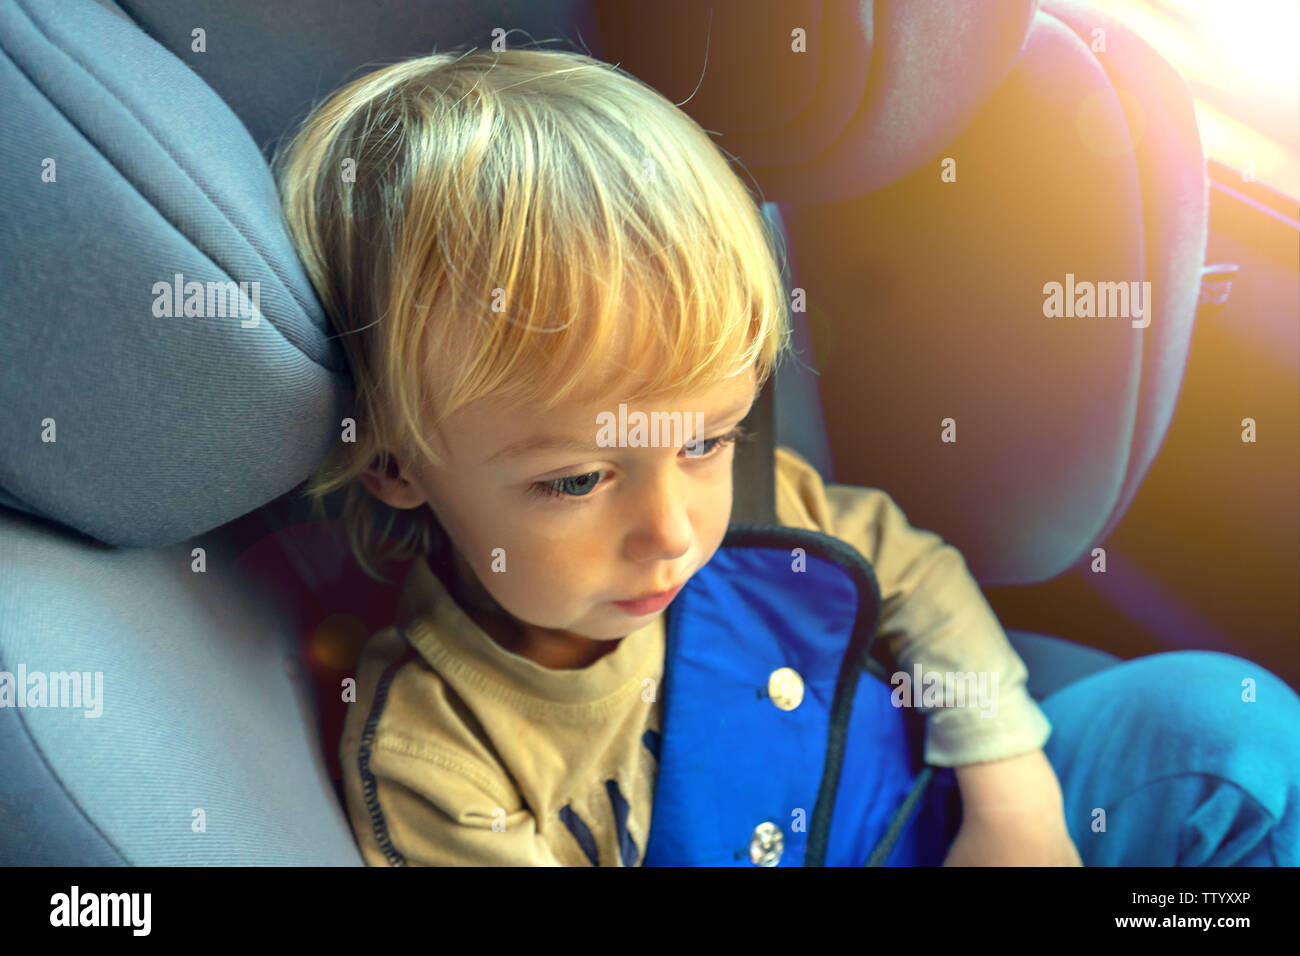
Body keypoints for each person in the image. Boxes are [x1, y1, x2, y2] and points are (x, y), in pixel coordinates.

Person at [271, 47, 1299, 866]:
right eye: (577, 479)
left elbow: (912, 569)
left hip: (930, 811)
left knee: (1225, 734)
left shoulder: (762, 506)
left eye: (709, 438)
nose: (674, 532)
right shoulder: (439, 754)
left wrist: (1011, 787)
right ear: (397, 466)